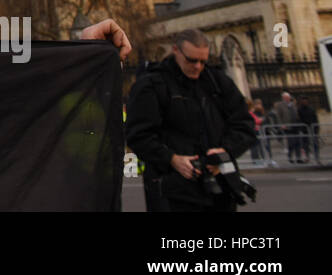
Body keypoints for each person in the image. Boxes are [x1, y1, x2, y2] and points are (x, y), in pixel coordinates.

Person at [126, 29, 255, 212]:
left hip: (219, 189)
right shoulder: (152, 84)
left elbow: (244, 125)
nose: (198, 67)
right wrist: (172, 159)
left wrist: (225, 151)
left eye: (203, 61)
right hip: (173, 192)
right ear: (176, 51)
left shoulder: (217, 82)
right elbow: (137, 134)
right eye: (191, 60)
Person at [271, 91, 299, 163]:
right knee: (291, 143)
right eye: (285, 97)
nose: (287, 99)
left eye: (288, 97)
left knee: (297, 142)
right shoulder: (280, 105)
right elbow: (278, 116)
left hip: (295, 126)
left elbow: (296, 114)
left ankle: (298, 158)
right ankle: (290, 157)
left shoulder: (293, 104)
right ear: (283, 98)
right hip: (287, 127)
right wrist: (281, 125)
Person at [297, 97, 318, 164]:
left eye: (306, 101)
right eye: (303, 102)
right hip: (304, 130)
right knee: (305, 145)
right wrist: (301, 128)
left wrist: (316, 128)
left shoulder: (311, 109)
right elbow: (299, 120)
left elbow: (315, 119)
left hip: (312, 129)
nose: (305, 103)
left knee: (315, 144)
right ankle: (307, 157)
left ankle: (317, 157)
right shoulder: (300, 110)